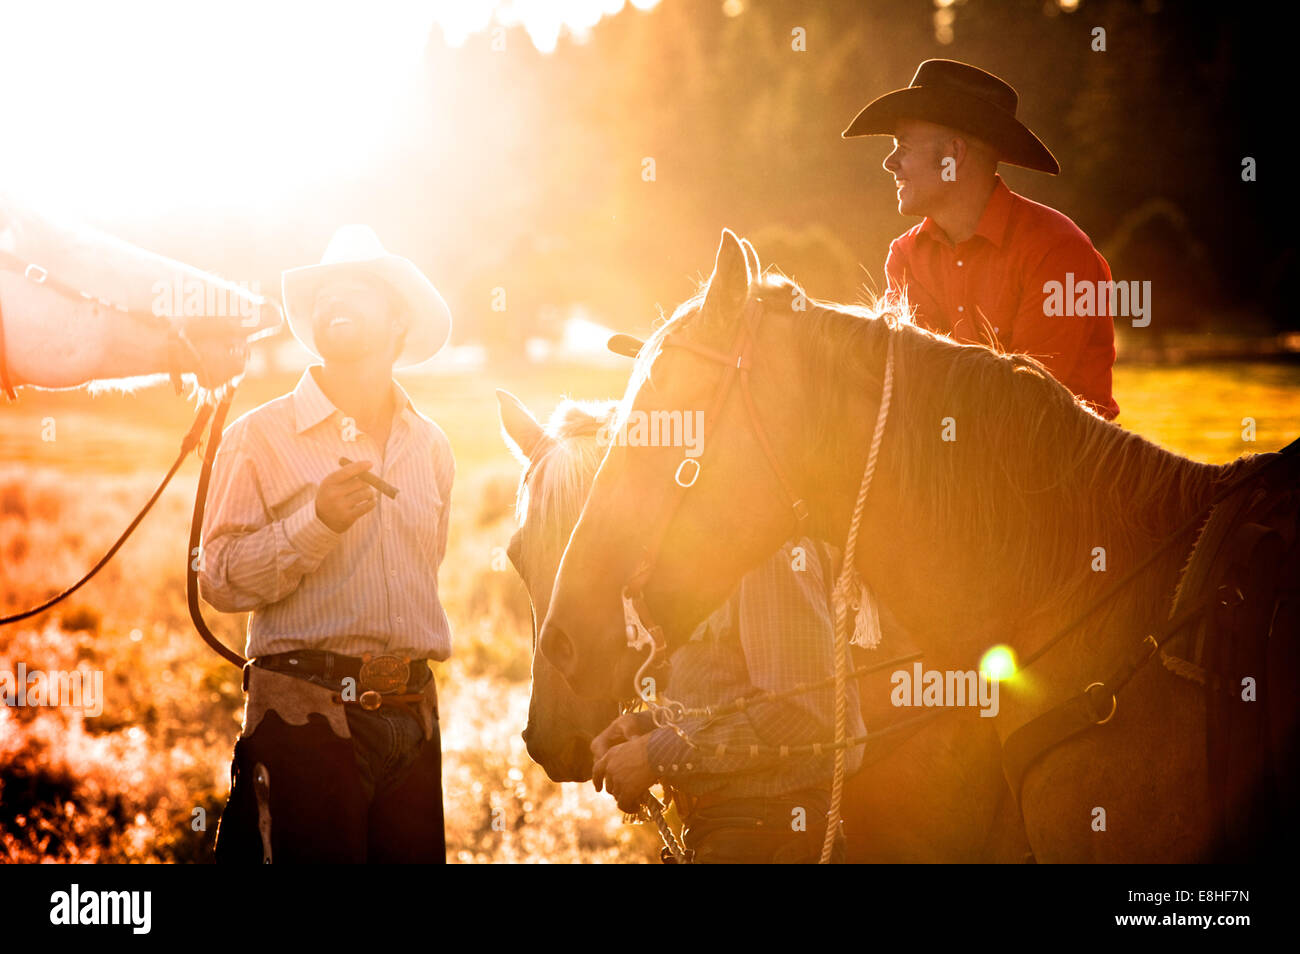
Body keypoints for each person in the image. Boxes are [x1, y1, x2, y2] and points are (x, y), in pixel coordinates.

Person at [199, 225, 455, 862]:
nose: (333, 301)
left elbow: (427, 569)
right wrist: (316, 522)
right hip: (304, 722)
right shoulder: (258, 438)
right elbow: (219, 577)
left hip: (413, 720)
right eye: (324, 293)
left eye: (357, 289)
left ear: (398, 318)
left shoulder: (431, 447)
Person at [843, 58, 1120, 420]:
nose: (890, 162)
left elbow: (1030, 403)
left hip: (1058, 473)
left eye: (904, 146)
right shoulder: (906, 255)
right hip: (955, 469)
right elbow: (906, 384)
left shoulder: (1058, 251)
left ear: (953, 156)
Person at [591, 539, 865, 863]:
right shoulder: (721, 559)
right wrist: (647, 725)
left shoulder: (771, 550)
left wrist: (654, 753)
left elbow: (801, 713)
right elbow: (732, 696)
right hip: (737, 834)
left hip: (766, 838)